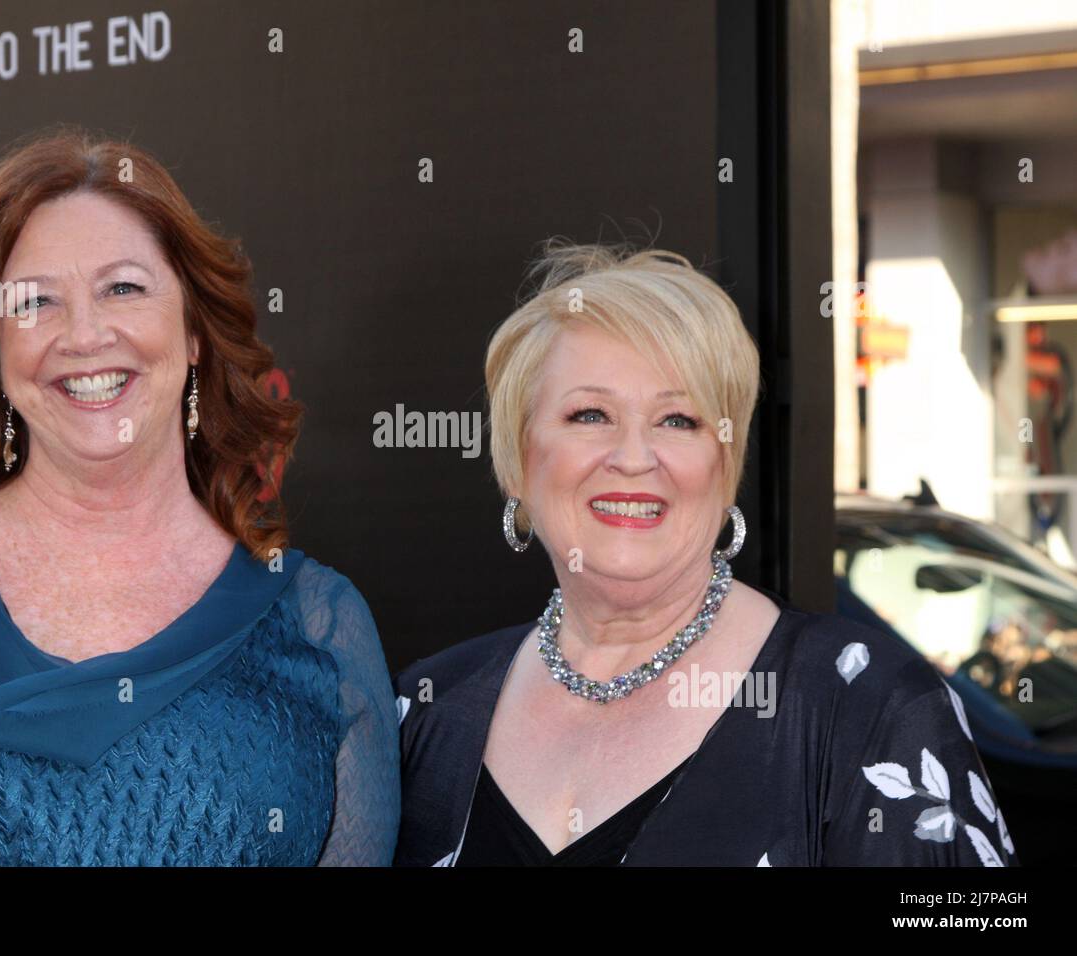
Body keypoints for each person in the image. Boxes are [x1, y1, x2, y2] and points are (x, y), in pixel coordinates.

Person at [0, 127, 399, 866]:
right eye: (36, 302)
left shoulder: (318, 628)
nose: (85, 334)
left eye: (123, 287)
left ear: (194, 328)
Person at [393, 241, 1018, 866]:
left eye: (678, 421)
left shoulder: (868, 706)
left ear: (726, 466)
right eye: (590, 414)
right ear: (518, 461)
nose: (634, 457)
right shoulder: (424, 710)